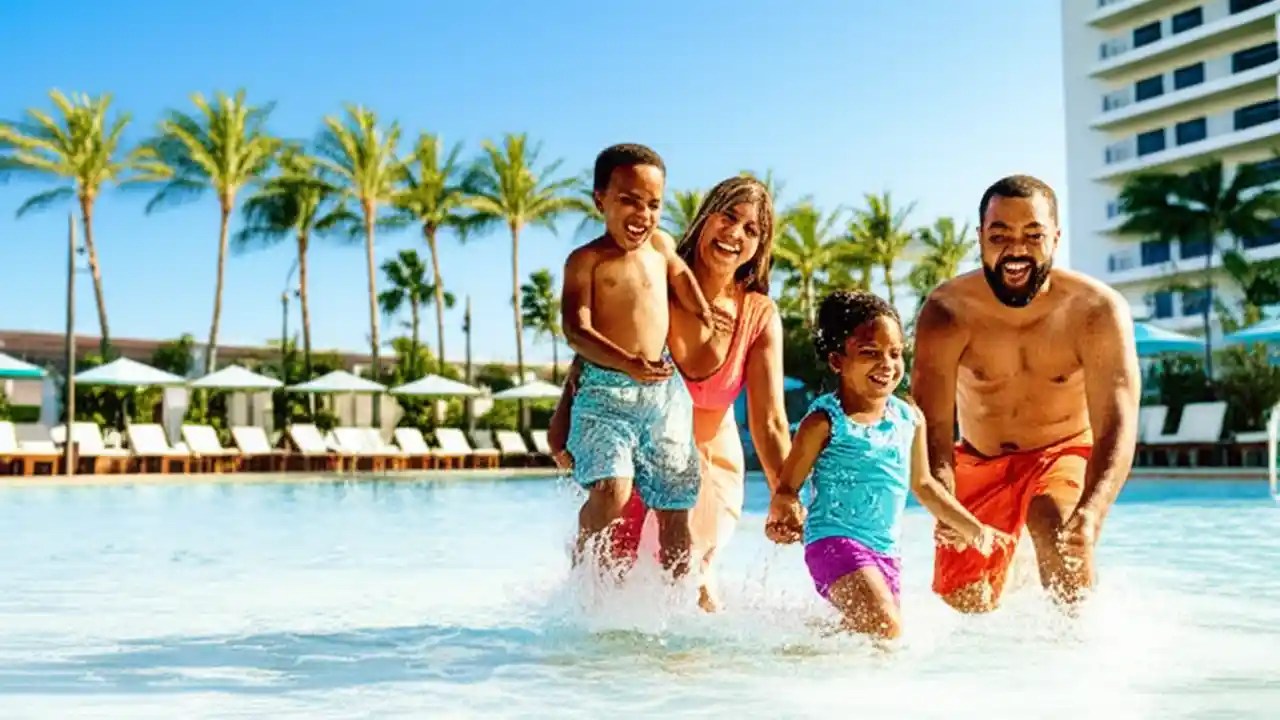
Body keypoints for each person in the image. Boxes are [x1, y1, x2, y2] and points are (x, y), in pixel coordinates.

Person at [550, 174, 793, 611]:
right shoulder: (651, 274)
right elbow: (590, 354)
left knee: (691, 581)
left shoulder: (757, 315)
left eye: (752, 229)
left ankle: (697, 676)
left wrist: (786, 494)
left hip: (706, 464)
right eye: (728, 216)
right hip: (632, 445)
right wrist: (563, 419)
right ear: (704, 219)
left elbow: (771, 420)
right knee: (610, 580)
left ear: (761, 245)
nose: (735, 234)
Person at [911, 174, 1141, 613]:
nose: (1016, 248)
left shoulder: (1097, 311)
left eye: (1033, 234)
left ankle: (1076, 653)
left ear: (1056, 237)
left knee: (1054, 526)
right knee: (969, 606)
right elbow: (933, 426)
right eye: (1000, 235)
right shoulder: (946, 312)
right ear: (979, 238)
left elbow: (1118, 423)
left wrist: (1092, 512)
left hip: (1063, 451)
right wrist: (944, 502)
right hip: (980, 458)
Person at [766, 290, 1009, 639]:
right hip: (833, 542)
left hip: (886, 553)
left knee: (871, 643)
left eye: (895, 353)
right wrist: (785, 514)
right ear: (837, 361)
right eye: (870, 353)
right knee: (885, 627)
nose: (887, 364)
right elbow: (788, 488)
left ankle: (799, 649)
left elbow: (923, 484)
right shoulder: (825, 421)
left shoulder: (909, 418)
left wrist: (975, 530)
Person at [561, 143, 727, 580]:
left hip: (663, 394)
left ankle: (673, 606)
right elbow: (575, 330)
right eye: (628, 201)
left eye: (653, 204)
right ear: (601, 199)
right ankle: (583, 577)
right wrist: (626, 362)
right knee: (613, 490)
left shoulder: (660, 244)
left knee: (676, 505)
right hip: (606, 390)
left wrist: (701, 309)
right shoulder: (586, 261)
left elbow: (680, 275)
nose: (643, 214)